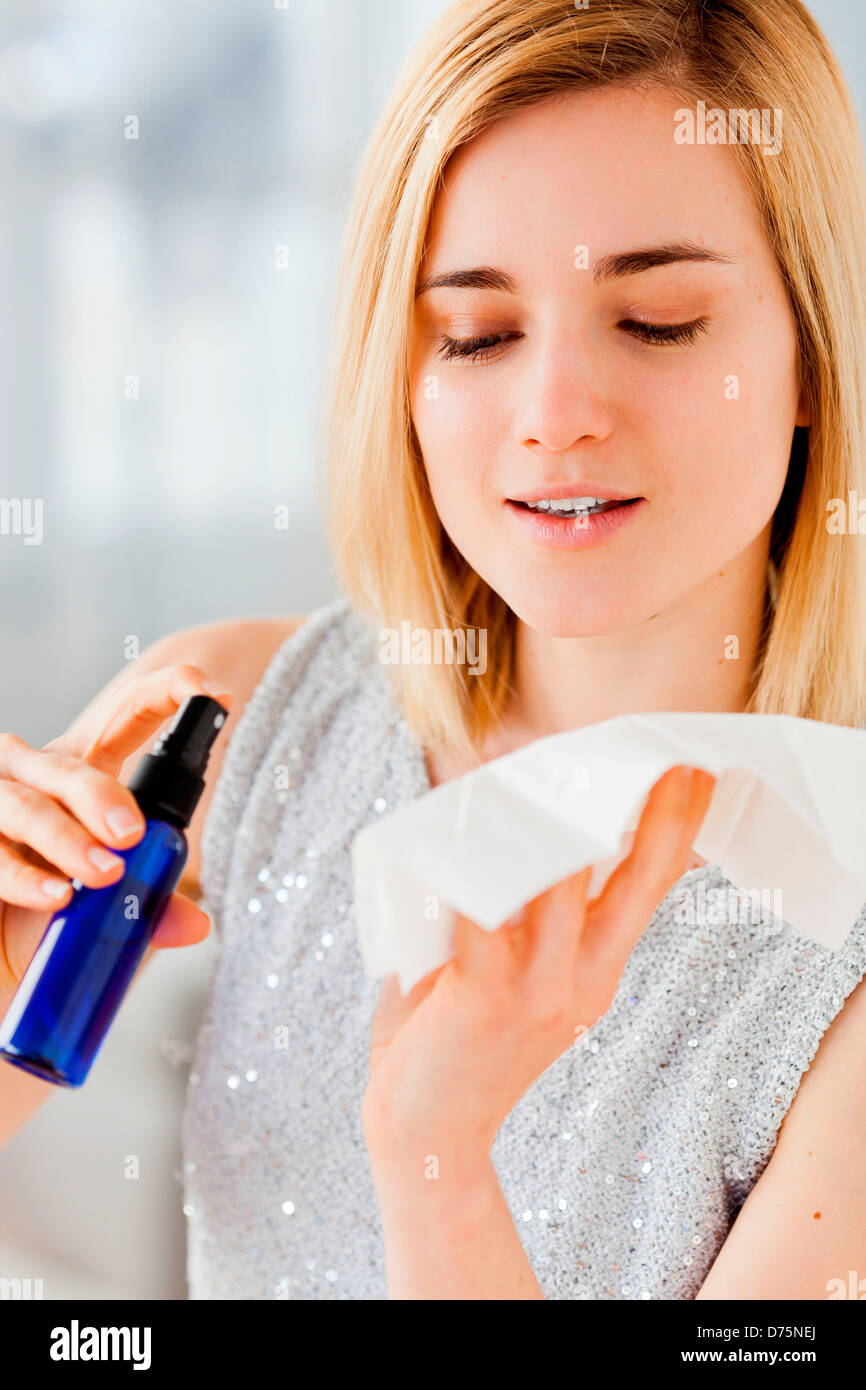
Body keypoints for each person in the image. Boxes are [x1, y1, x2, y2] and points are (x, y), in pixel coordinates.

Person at [3, 0, 866, 1300]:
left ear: (810, 350)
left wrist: (439, 1170)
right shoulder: (223, 715)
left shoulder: (834, 942)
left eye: (658, 320)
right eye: (475, 333)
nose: (555, 416)